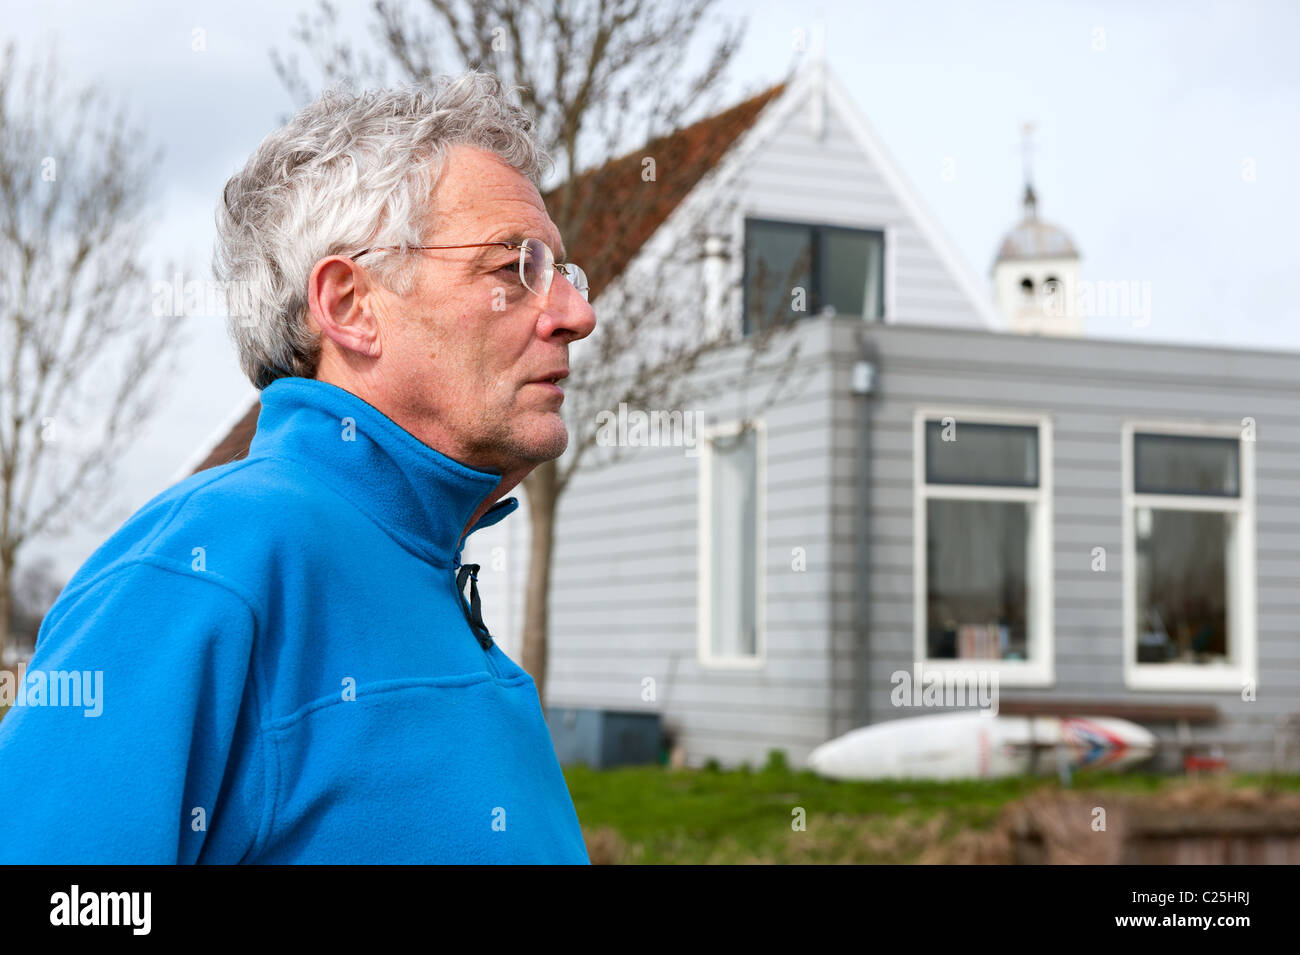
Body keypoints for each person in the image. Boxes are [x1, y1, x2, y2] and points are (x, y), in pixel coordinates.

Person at [0, 73, 596, 863]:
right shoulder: (211, 564)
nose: (576, 314)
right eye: (513, 269)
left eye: (563, 274)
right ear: (349, 304)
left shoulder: (435, 585)